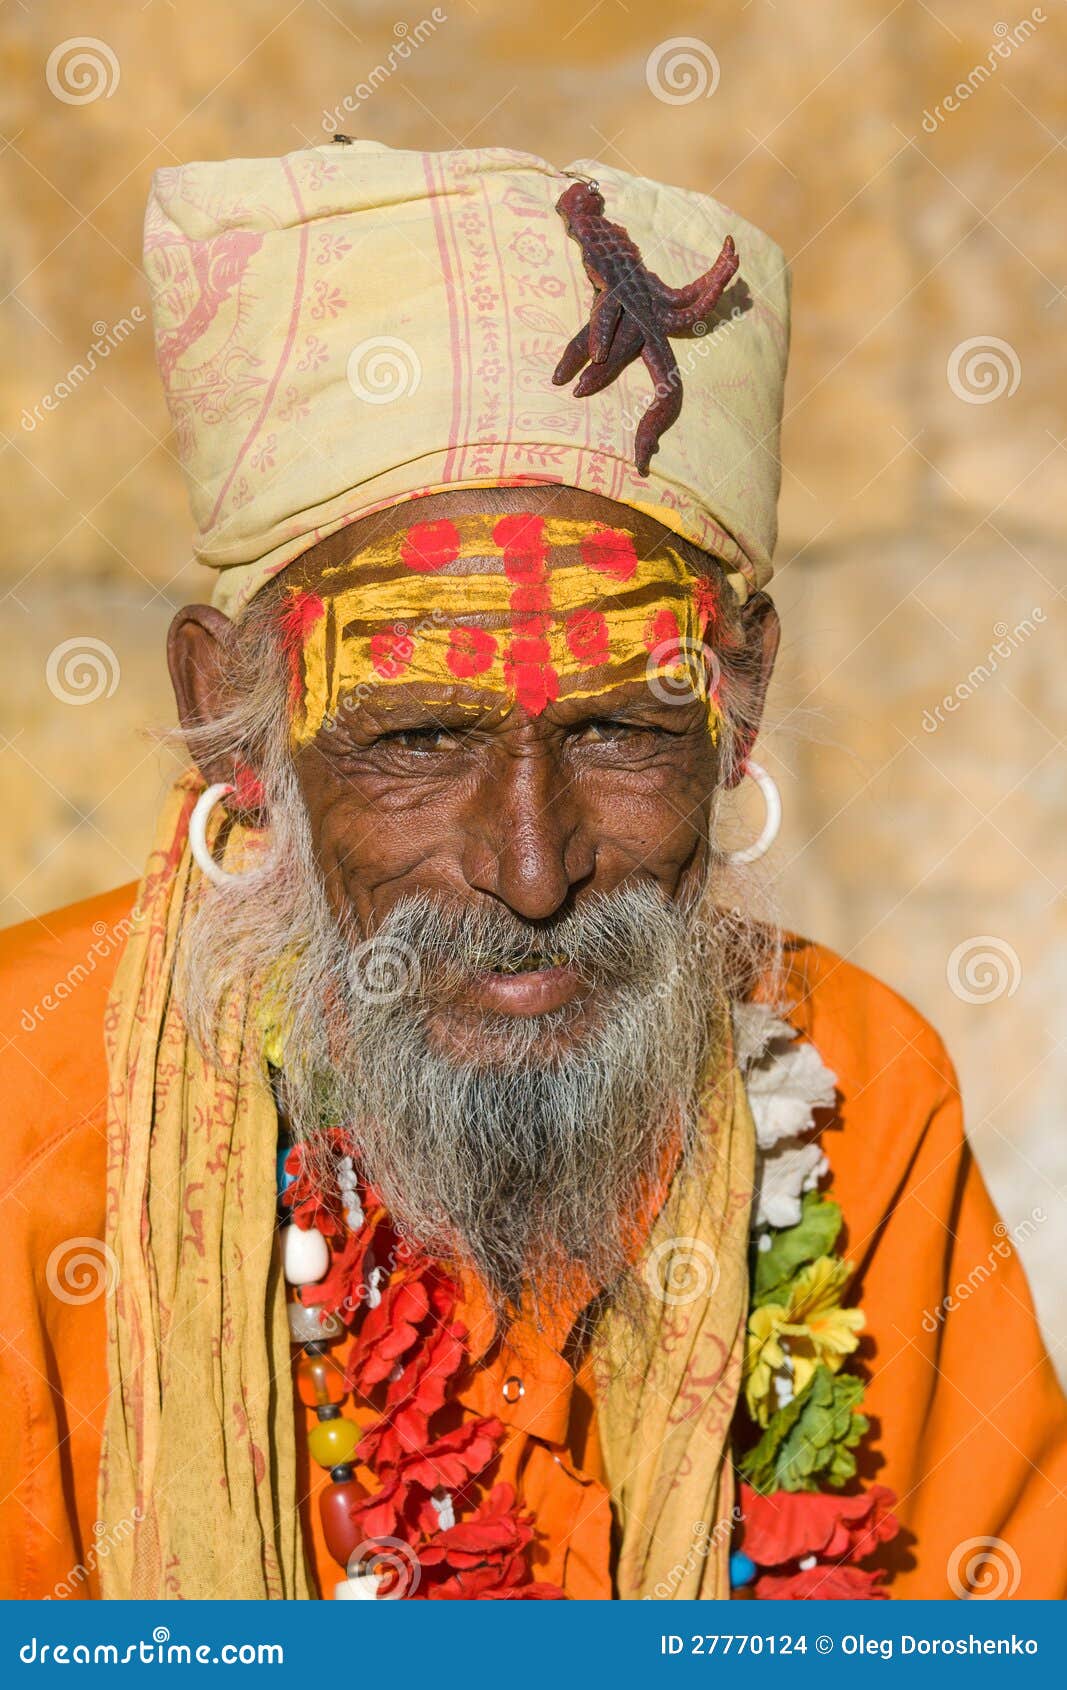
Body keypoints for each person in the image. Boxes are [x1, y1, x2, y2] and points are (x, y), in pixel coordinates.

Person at [2, 139, 1064, 1603]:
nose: (532, 865)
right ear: (228, 723)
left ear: (736, 706)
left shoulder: (859, 1091)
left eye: (622, 728)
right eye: (421, 735)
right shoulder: (30, 1104)